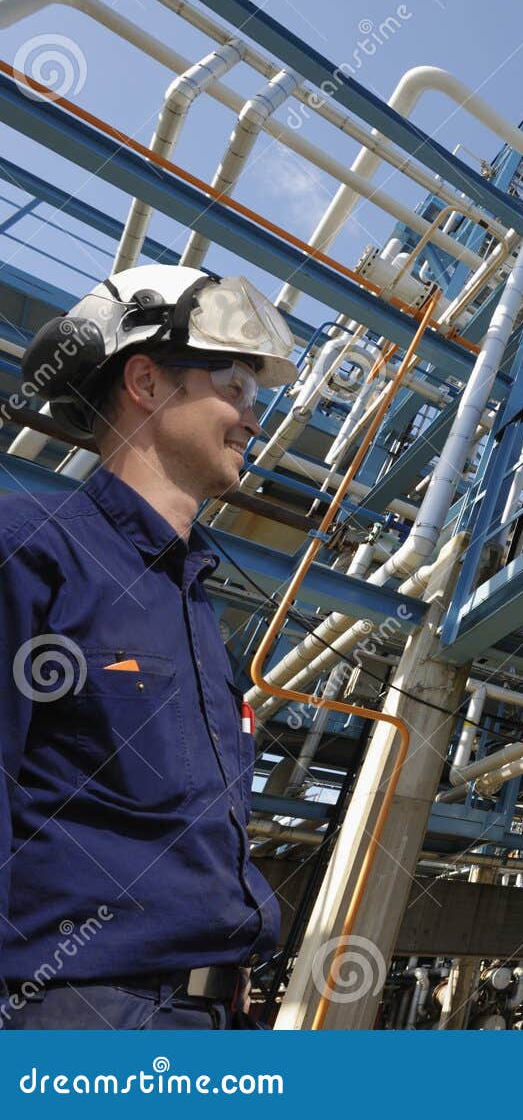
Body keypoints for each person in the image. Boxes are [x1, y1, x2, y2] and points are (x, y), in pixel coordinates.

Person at [0, 265, 298, 1029]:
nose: (252, 415)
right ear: (146, 380)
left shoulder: (192, 604)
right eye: (233, 384)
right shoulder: (30, 548)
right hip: (81, 1018)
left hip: (208, 1018)